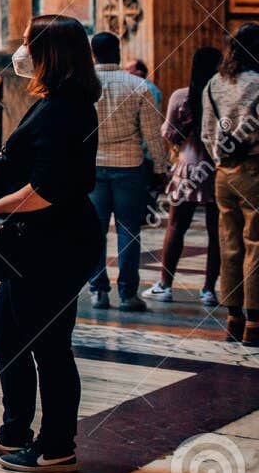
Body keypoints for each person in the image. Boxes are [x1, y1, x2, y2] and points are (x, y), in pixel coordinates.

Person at [0, 15, 103, 473]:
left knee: (49, 344)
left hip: (54, 243)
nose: (22, 50)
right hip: (44, 242)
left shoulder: (65, 109)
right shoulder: (60, 102)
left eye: (29, 42)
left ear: (50, 53)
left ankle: (56, 445)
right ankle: (15, 430)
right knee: (7, 329)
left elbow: (45, 189)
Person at [87, 31, 168, 311]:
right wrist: (161, 167)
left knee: (94, 231)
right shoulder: (139, 85)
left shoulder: (82, 85)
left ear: (93, 54)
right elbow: (152, 135)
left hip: (93, 166)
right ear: (118, 52)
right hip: (129, 165)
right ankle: (127, 294)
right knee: (129, 231)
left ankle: (98, 290)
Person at [149, 46, 222, 306]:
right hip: (216, 167)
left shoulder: (182, 96)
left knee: (176, 226)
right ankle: (209, 290)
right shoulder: (221, 96)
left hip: (188, 165)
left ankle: (165, 285)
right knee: (216, 233)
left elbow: (169, 133)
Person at [202, 23, 259, 345]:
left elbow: (207, 130)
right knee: (256, 242)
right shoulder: (257, 83)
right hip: (254, 167)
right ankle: (254, 322)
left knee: (230, 242)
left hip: (223, 172)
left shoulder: (215, 82)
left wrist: (220, 159)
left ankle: (233, 319)